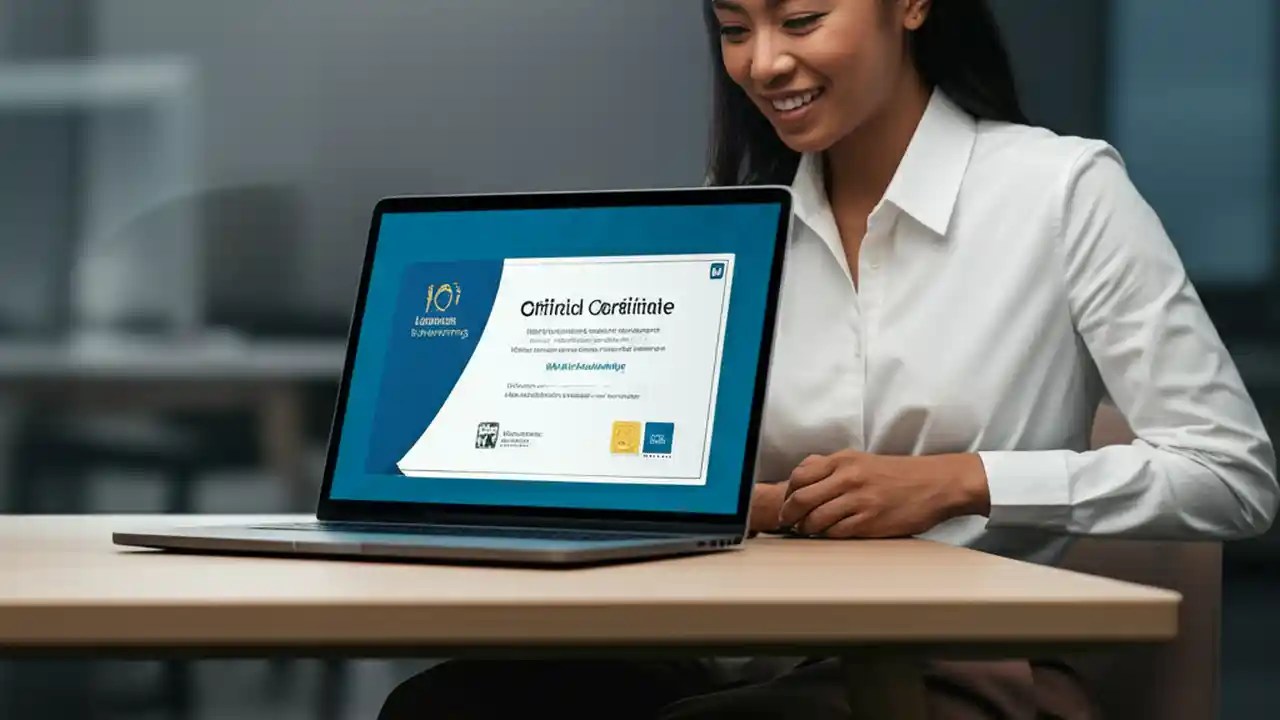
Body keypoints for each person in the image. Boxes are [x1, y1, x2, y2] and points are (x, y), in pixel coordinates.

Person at [379, 0, 1279, 717]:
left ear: (913, 6)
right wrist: (745, 502)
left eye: (801, 21)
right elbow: (667, 467)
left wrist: (964, 480)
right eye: (734, 29)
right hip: (733, 647)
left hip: (958, 667)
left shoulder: (1064, 193)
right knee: (444, 705)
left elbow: (1231, 476)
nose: (763, 62)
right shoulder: (729, 219)